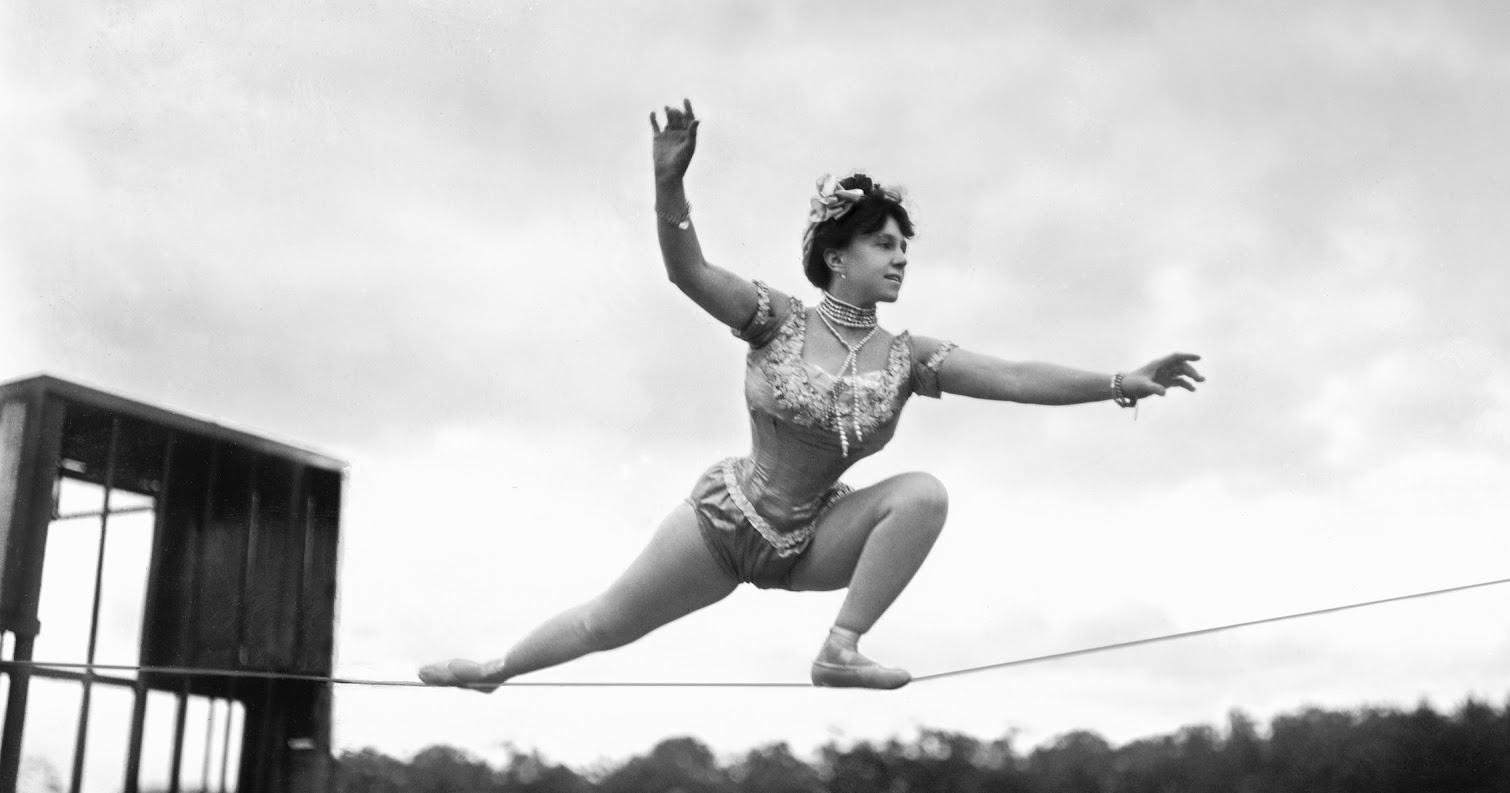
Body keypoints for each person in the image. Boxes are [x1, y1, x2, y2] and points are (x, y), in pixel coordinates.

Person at [420, 100, 1204, 692]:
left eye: (905, 247)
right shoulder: (776, 320)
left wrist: (1119, 383)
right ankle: (496, 667)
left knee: (922, 495)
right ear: (837, 255)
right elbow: (686, 271)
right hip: (726, 523)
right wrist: (669, 184)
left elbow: (1015, 376)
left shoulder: (907, 357)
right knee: (604, 623)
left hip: (814, 540)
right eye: (883, 244)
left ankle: (840, 649)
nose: (900, 259)